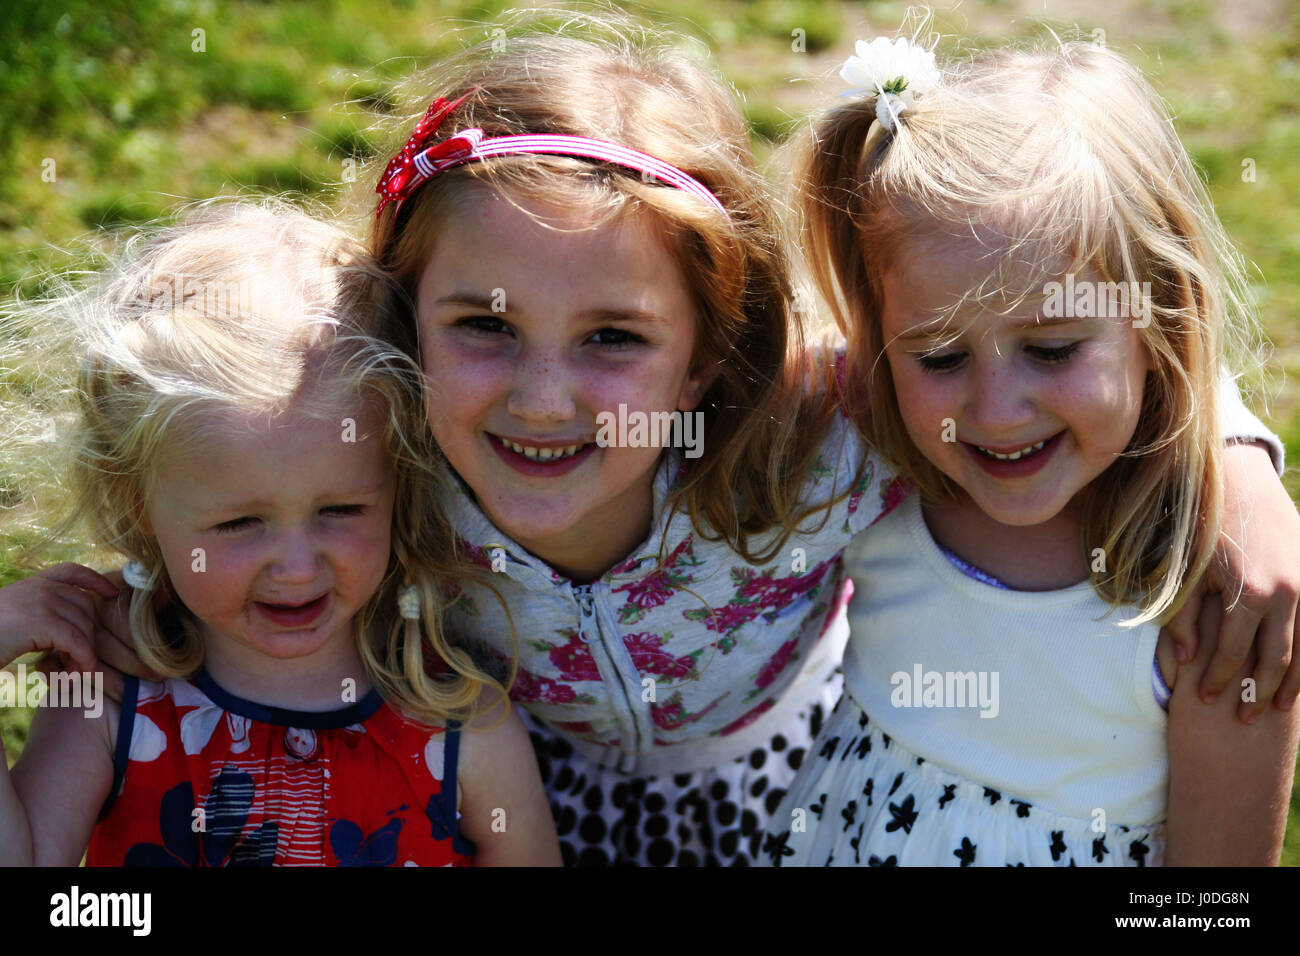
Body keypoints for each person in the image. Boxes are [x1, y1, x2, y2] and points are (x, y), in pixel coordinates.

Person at [9, 16, 1298, 867]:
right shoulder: (376, 472)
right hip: (526, 811)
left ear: (713, 337)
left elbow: (1061, 337)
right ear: (407, 316)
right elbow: (229, 463)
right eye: (485, 324)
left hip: (792, 812)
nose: (546, 400)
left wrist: (1239, 466)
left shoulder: (818, 435)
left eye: (615, 337)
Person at [760, 36, 1300, 866]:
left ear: (1160, 320)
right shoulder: (876, 470)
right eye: (940, 358)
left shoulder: (1214, 600)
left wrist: (1237, 455)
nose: (996, 410)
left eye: (1051, 351)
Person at [0, 202, 559, 866]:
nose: (296, 567)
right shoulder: (108, 706)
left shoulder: (462, 721)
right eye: (239, 523)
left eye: (341, 510)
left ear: (398, 485)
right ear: (138, 508)